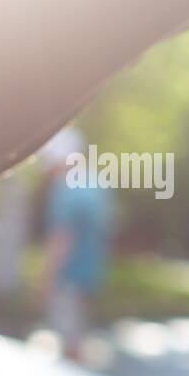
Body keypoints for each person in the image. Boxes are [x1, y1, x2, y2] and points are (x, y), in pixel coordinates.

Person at [37, 126, 113, 362]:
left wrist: (46, 278)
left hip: (68, 276)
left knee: (68, 341)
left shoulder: (66, 189)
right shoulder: (95, 184)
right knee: (77, 333)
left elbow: (62, 238)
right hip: (90, 272)